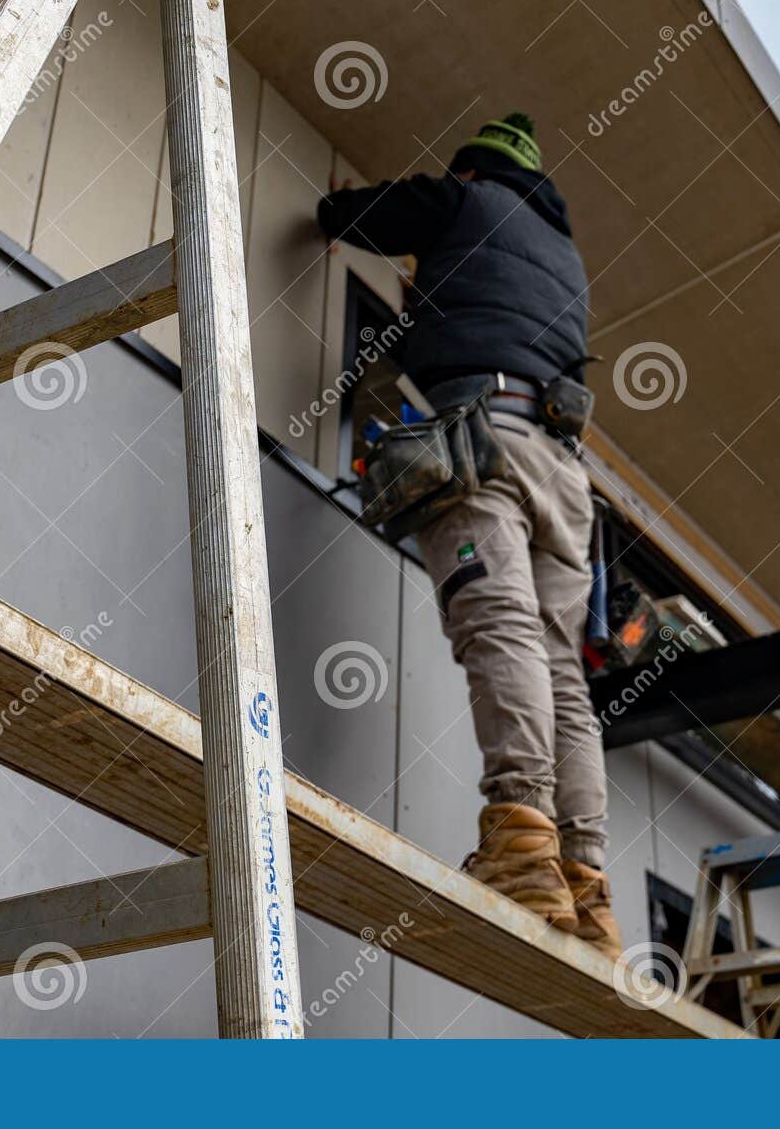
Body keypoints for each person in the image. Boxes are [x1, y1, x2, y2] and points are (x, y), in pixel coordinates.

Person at [316, 113, 620, 958]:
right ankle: (585, 882)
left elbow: (353, 216)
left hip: (486, 447)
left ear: (476, 168)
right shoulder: (568, 261)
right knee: (565, 675)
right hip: (565, 475)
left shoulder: (463, 200)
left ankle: (521, 844)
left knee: (500, 628)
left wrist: (341, 209)